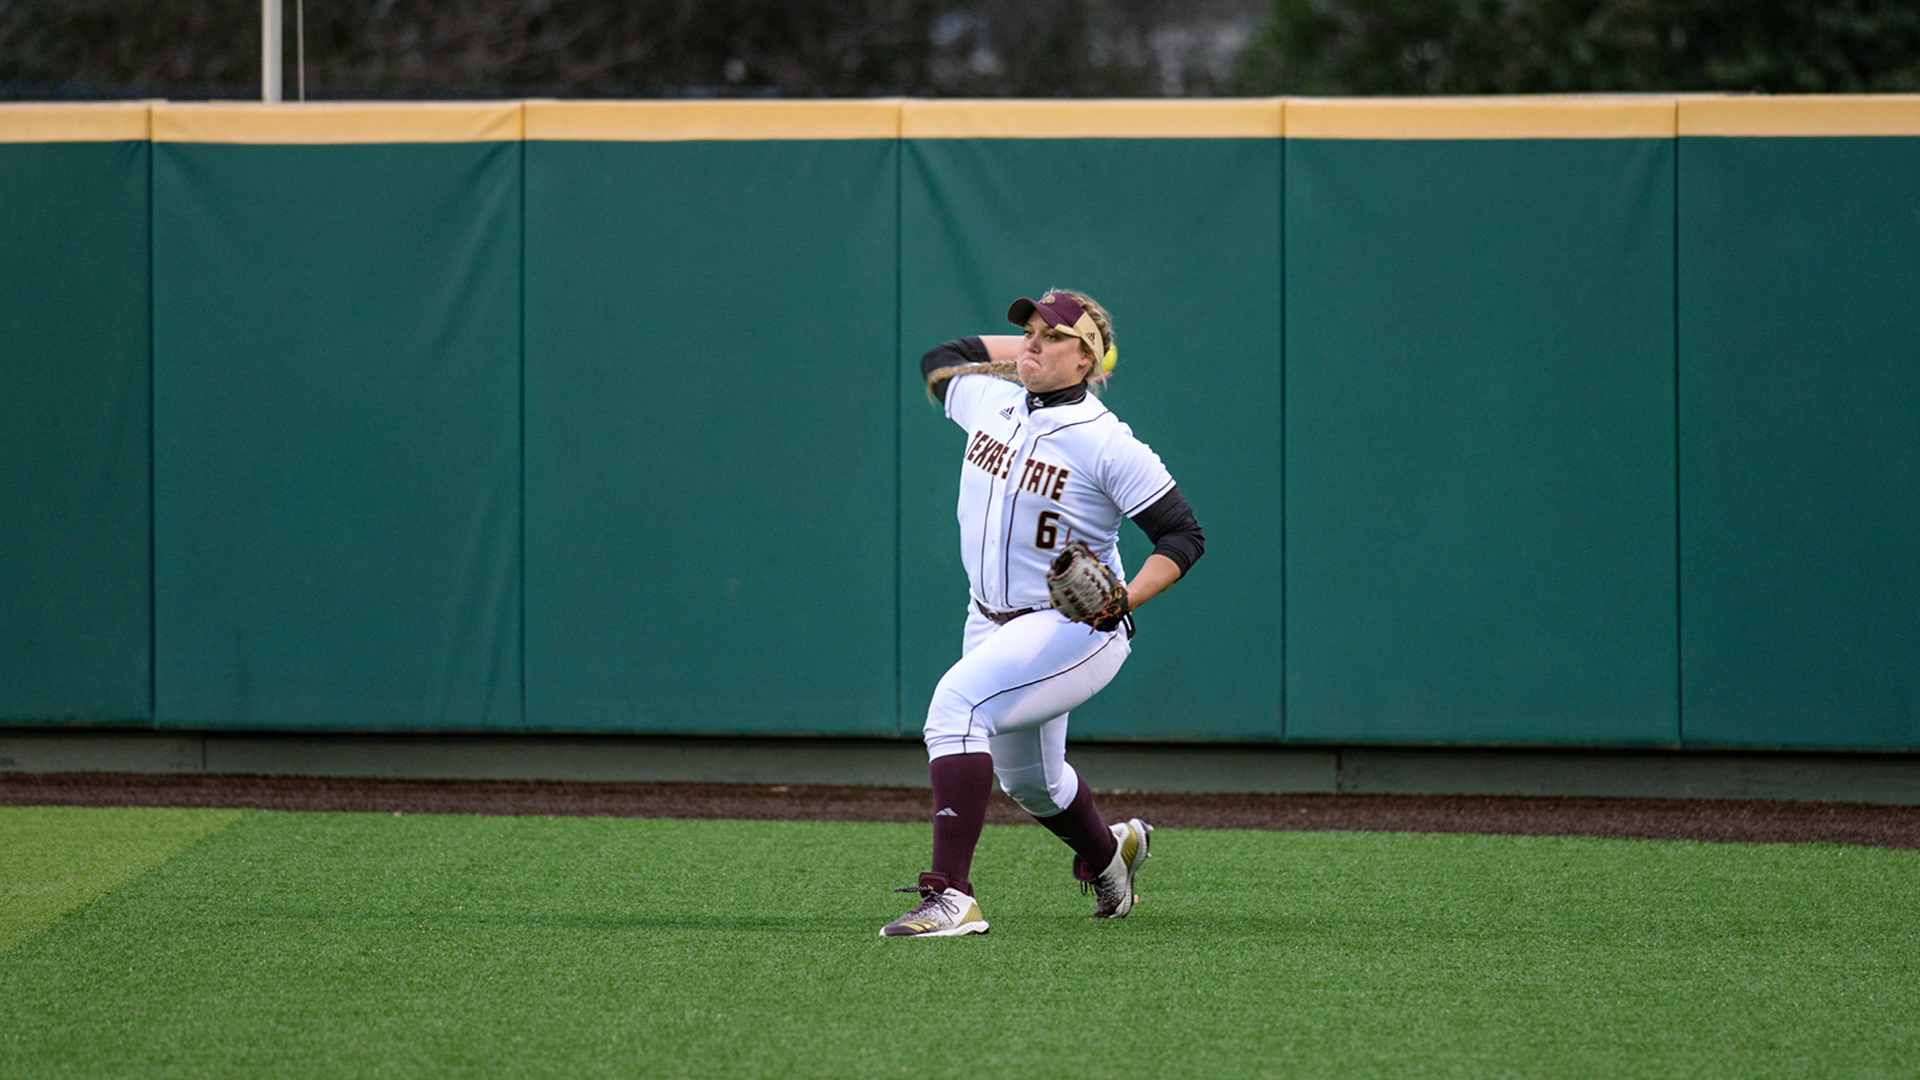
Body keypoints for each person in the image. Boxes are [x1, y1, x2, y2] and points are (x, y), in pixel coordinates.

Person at [881, 289, 1206, 938]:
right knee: (1032, 783)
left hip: (1072, 626)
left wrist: (1126, 598)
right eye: (1029, 329)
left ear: (1087, 361)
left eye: (1052, 336)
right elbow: (940, 359)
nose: (1032, 341)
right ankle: (1110, 857)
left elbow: (1182, 537)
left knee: (957, 708)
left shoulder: (1107, 443)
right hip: (989, 619)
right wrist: (1028, 352)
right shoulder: (990, 399)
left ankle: (952, 898)